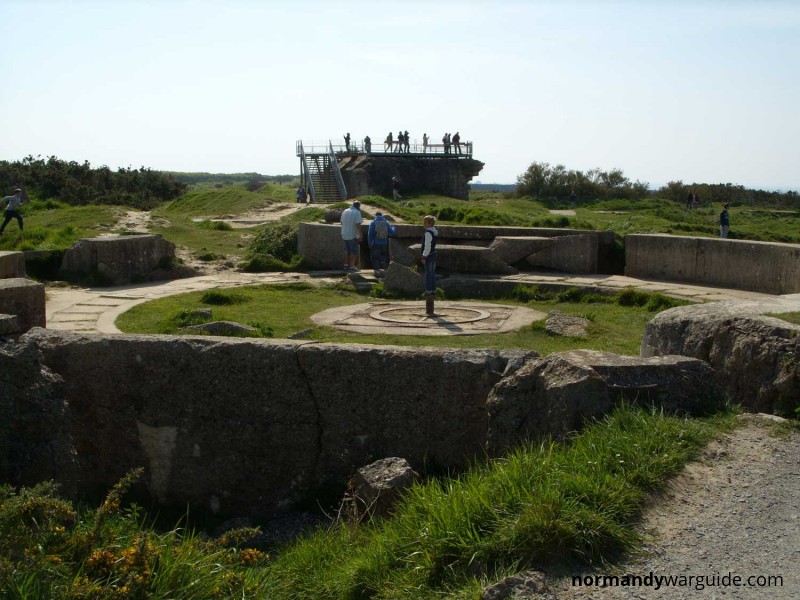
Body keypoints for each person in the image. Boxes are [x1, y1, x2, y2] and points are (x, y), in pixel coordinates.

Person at [367, 211, 396, 277]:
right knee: (383, 255)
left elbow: (370, 234)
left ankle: (377, 269)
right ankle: (383, 267)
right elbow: (392, 232)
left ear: (375, 215)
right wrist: (394, 228)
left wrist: (369, 243)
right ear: (382, 215)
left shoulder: (373, 223)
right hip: (384, 243)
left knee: (374, 257)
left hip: (376, 243)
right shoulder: (386, 222)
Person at [420, 215, 438, 316]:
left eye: (424, 222)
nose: (423, 224)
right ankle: (433, 290)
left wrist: (424, 256)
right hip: (434, 254)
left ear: (428, 223)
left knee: (428, 274)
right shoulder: (434, 231)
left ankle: (428, 291)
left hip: (429, 255)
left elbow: (427, 246)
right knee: (432, 273)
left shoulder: (428, 233)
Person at [340, 200, 363, 271]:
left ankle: (346, 265)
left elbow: (341, 222)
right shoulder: (357, 212)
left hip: (344, 234)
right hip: (352, 235)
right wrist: (361, 235)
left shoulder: (345, 211)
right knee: (354, 251)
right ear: (358, 206)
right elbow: (358, 224)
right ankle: (351, 266)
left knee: (347, 251)